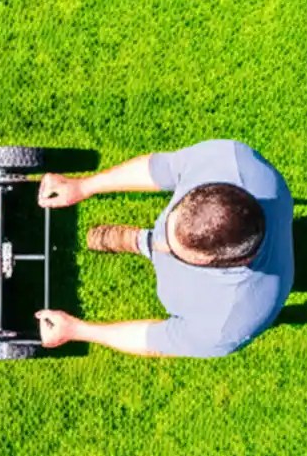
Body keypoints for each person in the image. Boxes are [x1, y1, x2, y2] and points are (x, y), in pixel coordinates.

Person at [34, 140, 293, 357]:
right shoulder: (231, 158)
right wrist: (83, 186)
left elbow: (155, 341)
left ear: (222, 263)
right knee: (157, 239)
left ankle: (137, 242)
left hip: (253, 286)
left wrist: (77, 331)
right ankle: (135, 240)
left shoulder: (225, 326)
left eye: (174, 250)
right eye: (169, 223)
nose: (162, 242)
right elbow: (161, 169)